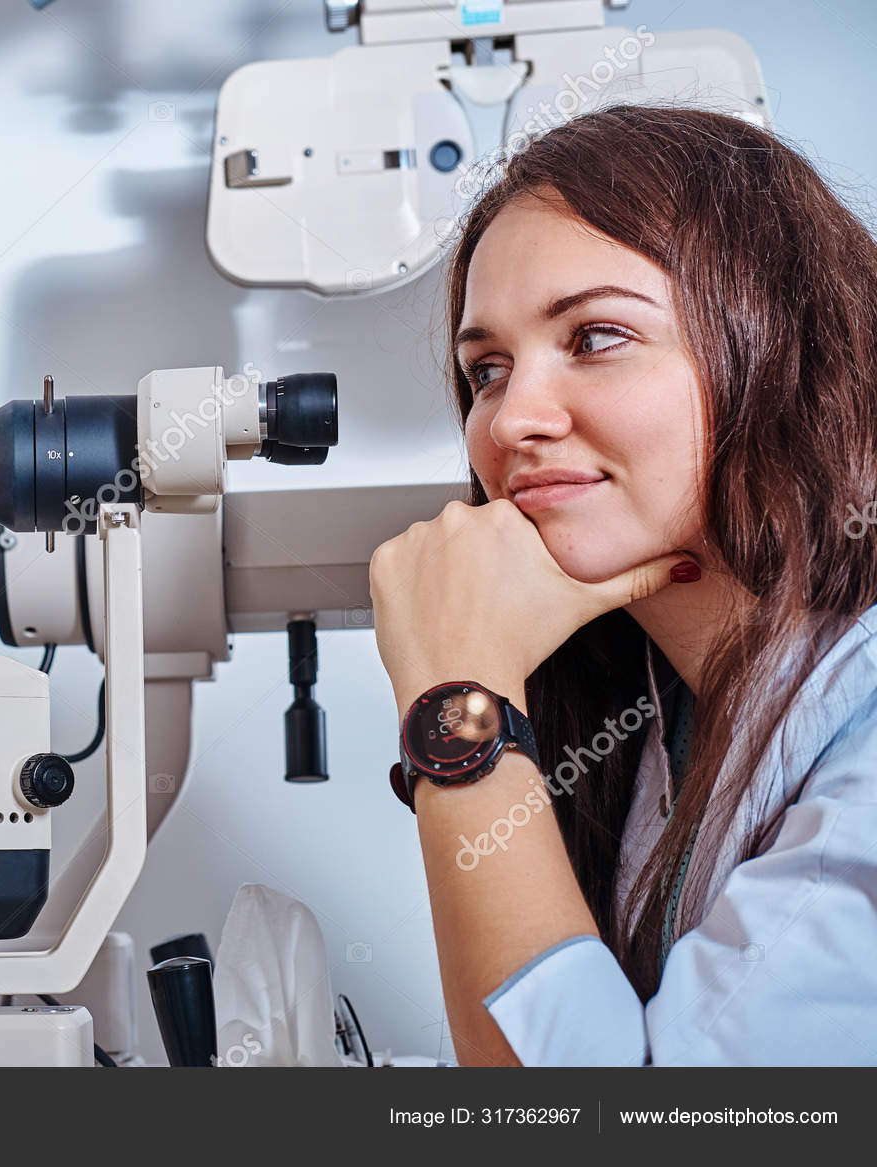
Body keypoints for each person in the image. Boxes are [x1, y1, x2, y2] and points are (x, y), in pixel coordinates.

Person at [371, 103, 877, 1065]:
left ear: (784, 354)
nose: (513, 418)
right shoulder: (653, 713)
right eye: (486, 368)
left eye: (597, 336)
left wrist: (458, 707)